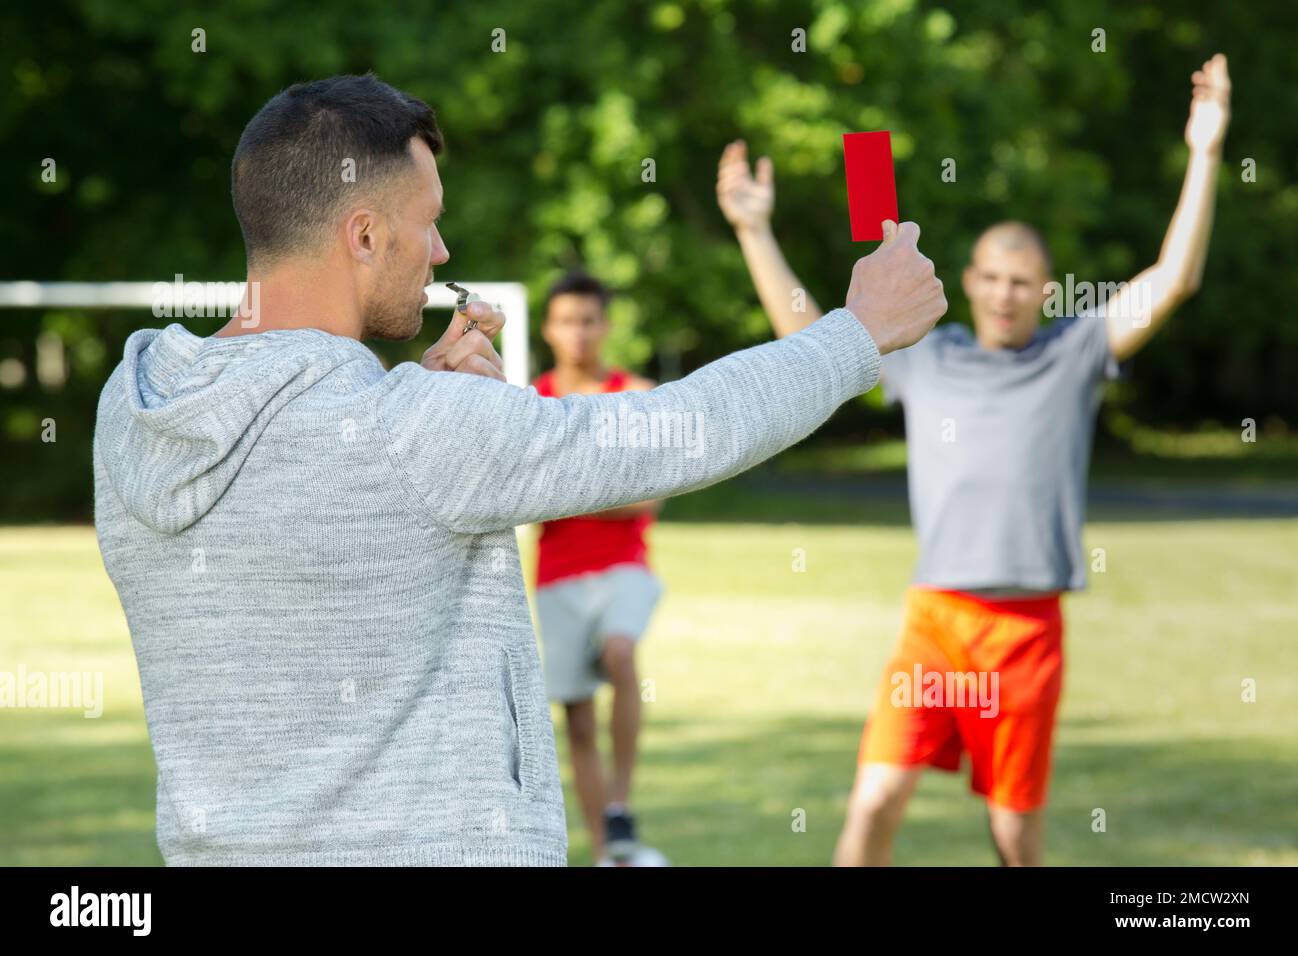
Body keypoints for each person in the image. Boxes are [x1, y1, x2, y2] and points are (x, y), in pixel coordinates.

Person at [93, 73, 946, 865]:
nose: (441, 250)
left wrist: (425, 406)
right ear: (362, 234)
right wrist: (857, 333)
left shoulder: (130, 414)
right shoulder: (414, 433)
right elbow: (683, 430)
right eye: (427, 221)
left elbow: (317, 501)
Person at [716, 55, 1231, 866]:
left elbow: (1173, 280)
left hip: (1028, 630)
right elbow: (809, 331)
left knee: (1014, 836)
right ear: (968, 280)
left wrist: (1204, 150)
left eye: (1021, 282)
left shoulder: (1076, 350)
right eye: (989, 277)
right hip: (935, 623)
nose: (1002, 294)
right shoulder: (929, 356)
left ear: (1047, 288)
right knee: (876, 798)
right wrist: (754, 228)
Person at [531, 270, 661, 864]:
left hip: (624, 567)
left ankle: (621, 804)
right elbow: (524, 493)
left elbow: (647, 496)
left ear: (604, 326)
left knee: (621, 651)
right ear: (548, 329)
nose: (578, 333)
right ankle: (607, 850)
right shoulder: (531, 400)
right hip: (557, 576)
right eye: (566, 321)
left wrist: (568, 487)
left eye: (588, 320)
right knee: (578, 720)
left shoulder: (634, 392)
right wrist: (607, 486)